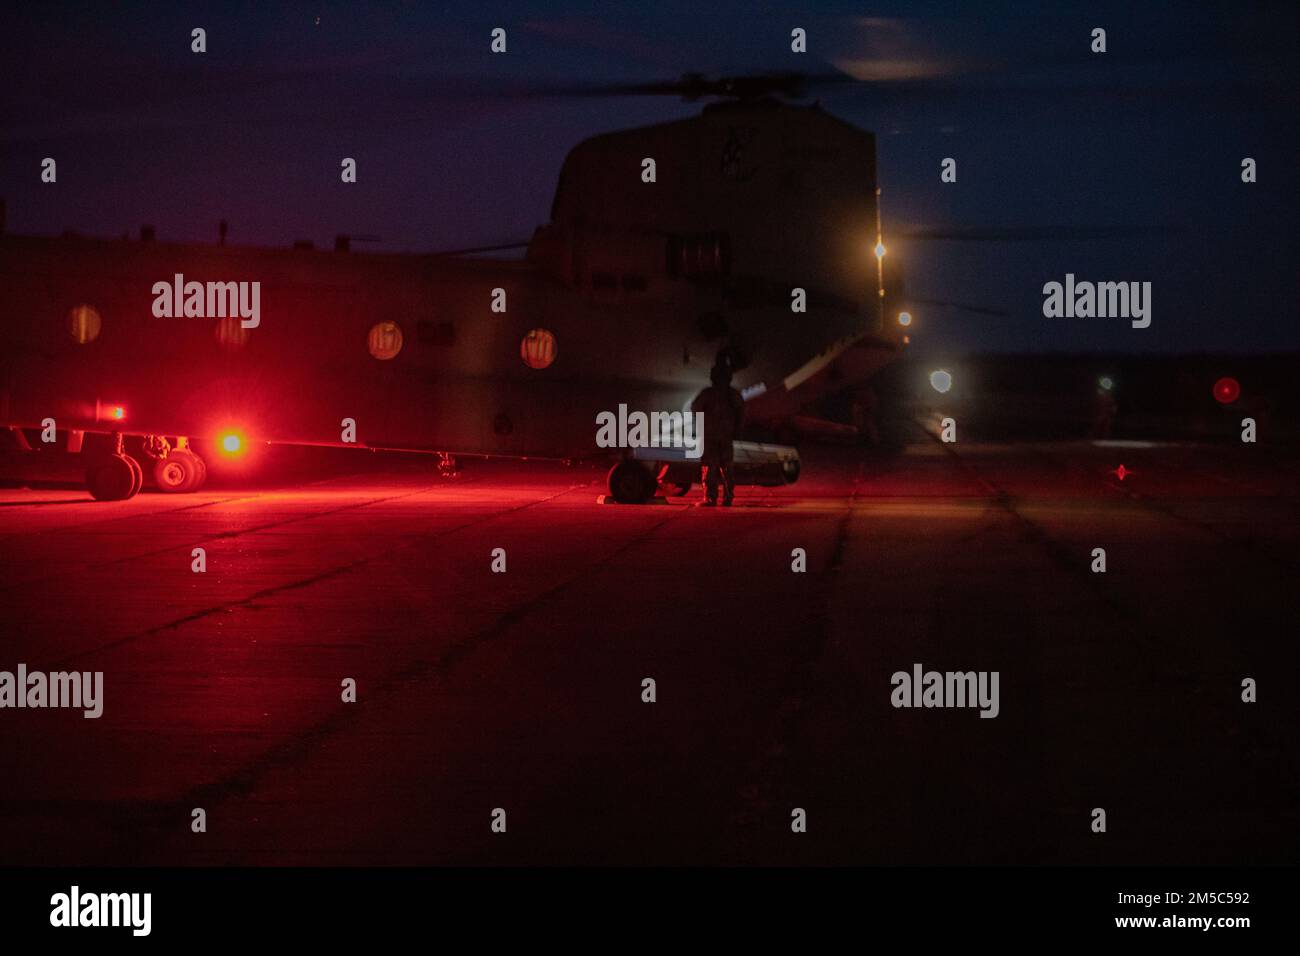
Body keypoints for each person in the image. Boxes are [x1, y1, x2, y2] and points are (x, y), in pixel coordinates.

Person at [691, 363, 745, 506]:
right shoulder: (732, 395)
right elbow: (741, 413)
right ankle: (727, 498)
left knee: (710, 467)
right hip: (724, 435)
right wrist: (737, 429)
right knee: (726, 468)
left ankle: (710, 498)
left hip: (711, 436)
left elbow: (695, 409)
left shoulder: (709, 394)